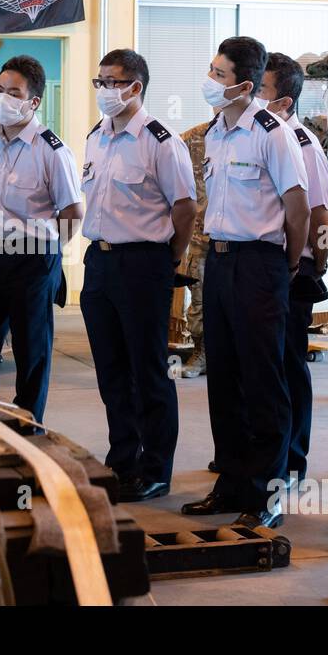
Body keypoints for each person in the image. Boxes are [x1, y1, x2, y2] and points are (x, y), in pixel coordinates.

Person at [179, 38, 308, 524]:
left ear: (246, 85)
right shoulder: (216, 133)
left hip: (260, 262)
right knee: (225, 378)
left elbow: (297, 208)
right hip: (221, 259)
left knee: (263, 380)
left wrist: (287, 264)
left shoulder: (271, 133)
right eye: (210, 69)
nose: (209, 81)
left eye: (219, 74)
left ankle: (266, 493)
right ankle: (232, 484)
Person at [81, 49, 196, 503]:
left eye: (113, 82)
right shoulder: (96, 137)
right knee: (111, 372)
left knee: (148, 371)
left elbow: (184, 207)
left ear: (135, 88)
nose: (105, 90)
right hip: (100, 263)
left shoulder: (160, 141)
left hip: (144, 263)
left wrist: (168, 259)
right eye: (100, 81)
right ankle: (122, 460)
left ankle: (155, 468)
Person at [0, 55, 83, 423]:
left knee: (31, 352)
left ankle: (28, 426)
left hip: (32, 259)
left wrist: (48, 259)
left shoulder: (52, 150)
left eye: (14, 93)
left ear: (33, 102)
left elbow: (73, 213)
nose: (3, 98)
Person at [261, 51, 328, 485]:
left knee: (289, 365)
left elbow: (319, 214)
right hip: (265, 268)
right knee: (264, 367)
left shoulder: (302, 142)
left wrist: (314, 264)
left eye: (261, 90)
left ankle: (292, 458)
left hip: (294, 269)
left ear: (284, 101)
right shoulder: (259, 134)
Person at [176, 116, 213, 379]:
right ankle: (201, 352)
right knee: (198, 299)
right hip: (200, 237)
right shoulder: (191, 139)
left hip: (240, 240)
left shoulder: (258, 136)